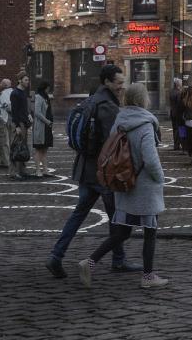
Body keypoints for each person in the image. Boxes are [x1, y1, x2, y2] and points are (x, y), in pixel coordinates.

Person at [46, 63, 137, 278]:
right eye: (118, 83)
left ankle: (56, 256)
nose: (121, 87)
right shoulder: (107, 106)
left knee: (79, 215)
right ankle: (118, 260)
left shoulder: (89, 101)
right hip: (102, 173)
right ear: (106, 82)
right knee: (117, 217)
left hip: (84, 169)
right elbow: (112, 143)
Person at [77, 81, 168, 289]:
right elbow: (151, 159)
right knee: (150, 231)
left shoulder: (120, 120)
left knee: (121, 232)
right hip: (144, 187)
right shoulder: (145, 124)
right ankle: (148, 276)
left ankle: (89, 263)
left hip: (124, 184)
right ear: (143, 99)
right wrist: (160, 178)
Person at [9, 75, 32, 180]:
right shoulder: (15, 93)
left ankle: (22, 170)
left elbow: (24, 108)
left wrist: (28, 115)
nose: (28, 82)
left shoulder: (23, 93)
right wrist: (17, 126)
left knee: (22, 147)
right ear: (19, 80)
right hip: (19, 123)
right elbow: (14, 111)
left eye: (28, 80)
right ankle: (14, 172)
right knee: (16, 147)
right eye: (26, 80)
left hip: (24, 122)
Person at [32, 80, 54, 177]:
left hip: (46, 127)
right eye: (48, 88)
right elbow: (37, 112)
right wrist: (47, 121)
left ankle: (45, 170)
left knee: (45, 149)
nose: (49, 90)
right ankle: (37, 170)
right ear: (44, 88)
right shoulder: (39, 97)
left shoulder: (45, 97)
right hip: (40, 127)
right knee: (39, 148)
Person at [0, 78, 14, 170]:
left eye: (1, 83)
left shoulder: (4, 94)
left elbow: (8, 107)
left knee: (3, 141)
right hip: (11, 119)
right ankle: (7, 160)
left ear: (4, 85)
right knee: (10, 140)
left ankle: (6, 161)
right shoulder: (12, 92)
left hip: (4, 119)